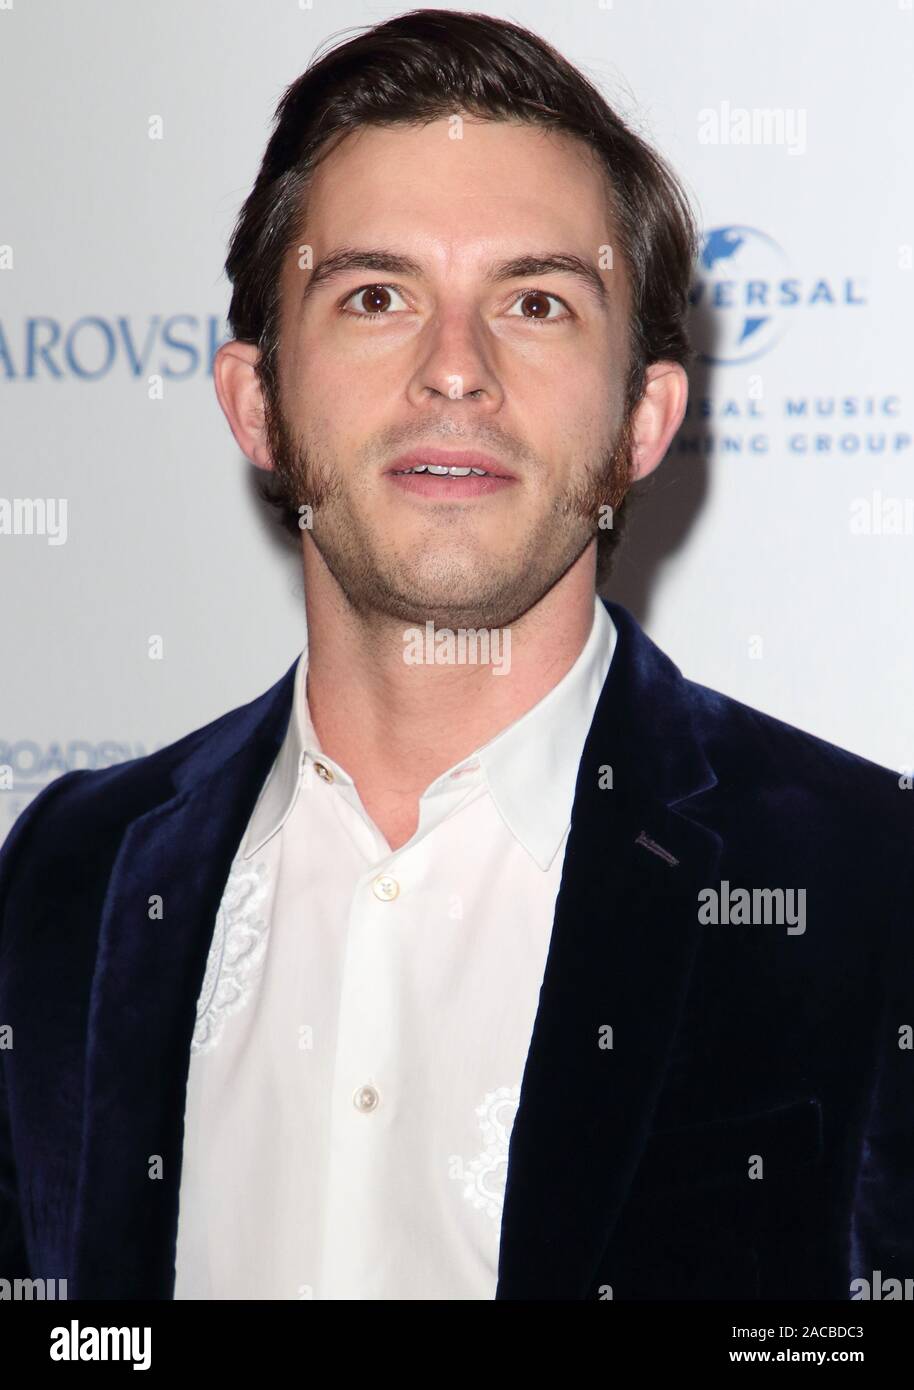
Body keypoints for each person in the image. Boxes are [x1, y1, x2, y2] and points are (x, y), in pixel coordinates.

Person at [0, 9, 910, 1301]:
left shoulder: (866, 885)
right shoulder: (70, 874)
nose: (453, 372)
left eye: (534, 303)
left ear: (644, 419)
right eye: (376, 295)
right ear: (254, 399)